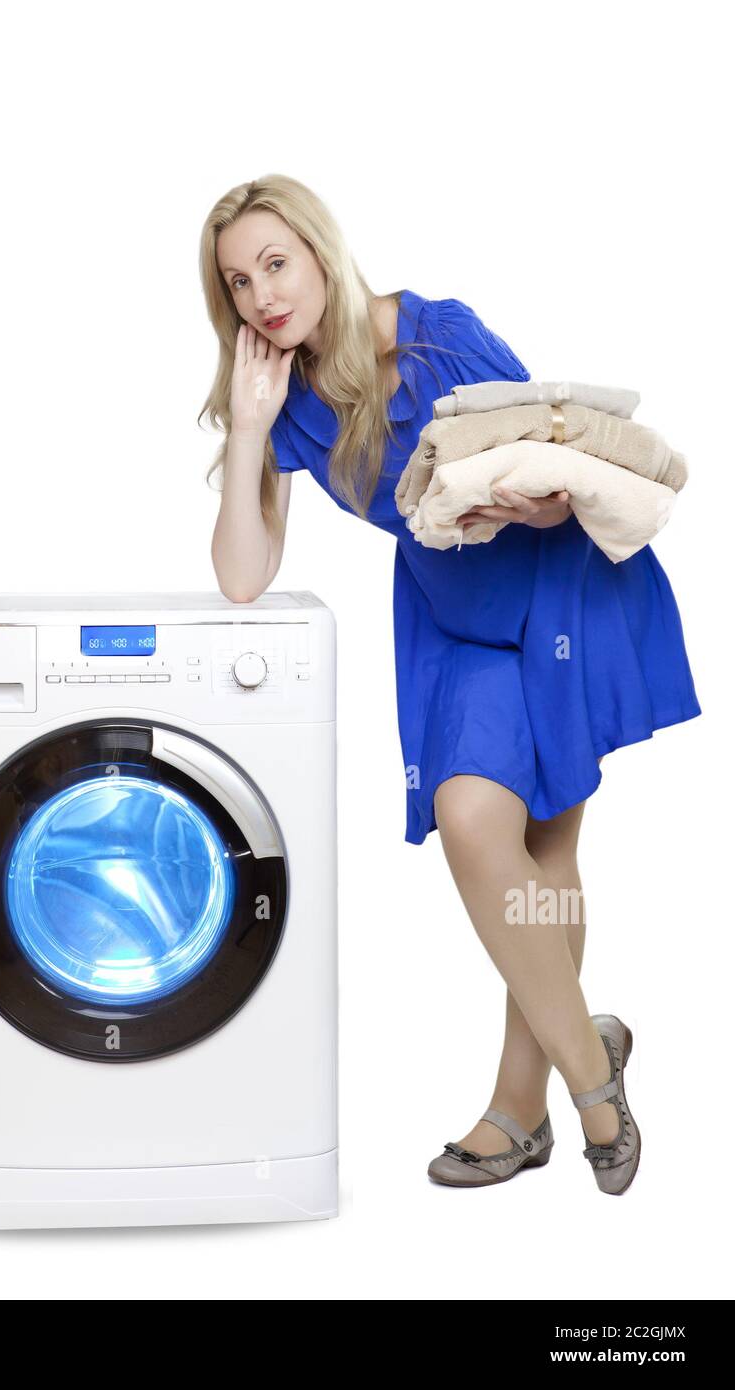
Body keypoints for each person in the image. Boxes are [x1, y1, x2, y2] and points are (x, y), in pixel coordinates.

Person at [199, 173, 701, 1194]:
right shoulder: (288, 406)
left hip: (559, 600)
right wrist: (248, 426)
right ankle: (593, 1068)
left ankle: (524, 1109)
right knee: (478, 823)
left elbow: (557, 472)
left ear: (320, 246)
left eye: (275, 263)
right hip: (457, 624)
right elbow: (244, 577)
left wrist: (518, 507)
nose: (261, 296)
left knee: (546, 845)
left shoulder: (439, 337)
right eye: (239, 282)